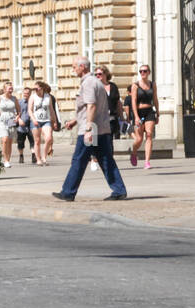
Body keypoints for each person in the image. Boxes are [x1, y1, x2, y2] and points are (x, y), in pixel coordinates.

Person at [53, 56, 126, 202]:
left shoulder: (88, 83)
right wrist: (75, 121)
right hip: (101, 129)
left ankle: (68, 192)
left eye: (75, 66)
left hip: (91, 131)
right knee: (106, 160)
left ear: (83, 67)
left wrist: (88, 129)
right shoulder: (96, 83)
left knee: (79, 159)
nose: (73, 69)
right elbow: (90, 107)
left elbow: (91, 106)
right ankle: (119, 190)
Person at [92, 66, 122, 172]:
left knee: (110, 141)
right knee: (97, 140)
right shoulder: (95, 87)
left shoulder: (113, 86)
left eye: (99, 74)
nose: (97, 76)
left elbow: (118, 102)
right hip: (98, 118)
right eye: (96, 74)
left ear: (105, 74)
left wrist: (122, 116)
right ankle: (94, 159)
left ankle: (109, 162)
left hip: (112, 118)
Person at [129, 64, 159, 169]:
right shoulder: (135, 85)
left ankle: (147, 161)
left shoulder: (152, 84)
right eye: (140, 71)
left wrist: (157, 113)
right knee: (139, 139)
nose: (142, 73)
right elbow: (133, 101)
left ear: (149, 72)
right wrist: (136, 116)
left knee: (149, 135)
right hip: (139, 113)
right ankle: (133, 152)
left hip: (149, 112)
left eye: (145, 71)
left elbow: (155, 99)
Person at [30, 82, 60, 166]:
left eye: (37, 88)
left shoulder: (48, 97)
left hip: (46, 120)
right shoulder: (32, 97)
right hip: (36, 120)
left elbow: (51, 109)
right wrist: (33, 119)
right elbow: (29, 110)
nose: (35, 90)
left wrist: (54, 121)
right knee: (37, 141)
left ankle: (44, 157)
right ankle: (38, 159)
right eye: (34, 89)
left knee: (49, 138)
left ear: (42, 88)